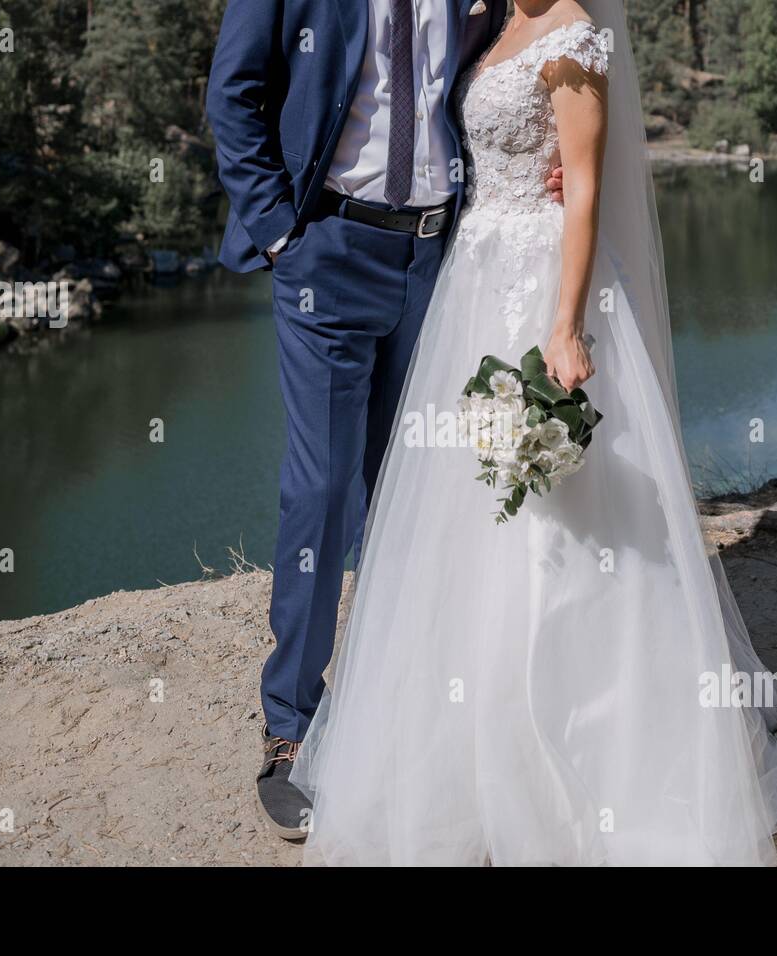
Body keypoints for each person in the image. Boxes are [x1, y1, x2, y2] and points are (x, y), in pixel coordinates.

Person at [290, 0, 777, 865]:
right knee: (466, 509)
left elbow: (588, 187)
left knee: (566, 514)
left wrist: (564, 329)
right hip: (472, 279)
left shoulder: (573, 34)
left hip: (543, 290)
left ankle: (591, 753)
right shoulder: (491, 26)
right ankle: (467, 751)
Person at [205, 0, 571, 837]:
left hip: (442, 256)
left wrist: (548, 160)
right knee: (324, 491)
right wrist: (276, 233)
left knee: (423, 488)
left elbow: (508, 63)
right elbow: (233, 94)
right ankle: (290, 726)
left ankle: (409, 700)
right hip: (324, 251)